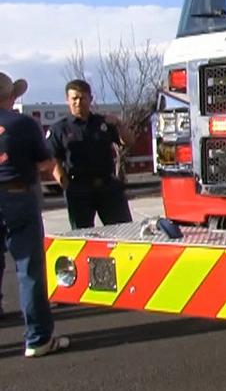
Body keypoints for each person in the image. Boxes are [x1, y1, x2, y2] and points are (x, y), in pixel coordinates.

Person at [0, 71, 70, 357]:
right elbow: (44, 162)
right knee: (28, 269)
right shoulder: (23, 124)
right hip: (17, 196)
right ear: (12, 96)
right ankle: (38, 338)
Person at [47, 79, 134, 229]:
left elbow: (128, 141)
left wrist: (119, 124)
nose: (78, 102)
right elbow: (53, 159)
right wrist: (66, 185)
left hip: (107, 187)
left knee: (123, 230)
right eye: (74, 98)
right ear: (67, 100)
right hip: (79, 190)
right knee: (82, 236)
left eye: (83, 98)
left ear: (90, 99)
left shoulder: (103, 123)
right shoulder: (59, 129)